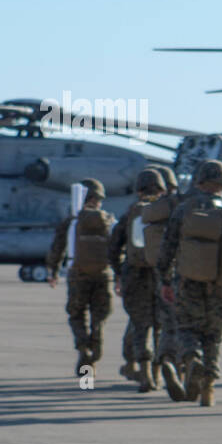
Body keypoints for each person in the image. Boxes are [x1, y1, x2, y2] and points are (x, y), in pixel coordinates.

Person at [157, 159, 222, 407]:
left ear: (199, 180)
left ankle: (191, 358)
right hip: (220, 285)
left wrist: (165, 279)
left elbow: (168, 247)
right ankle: (208, 388)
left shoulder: (183, 209)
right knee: (213, 337)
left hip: (187, 282)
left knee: (187, 328)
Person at [46, 178, 115, 374]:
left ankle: (83, 347)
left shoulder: (71, 222)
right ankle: (97, 338)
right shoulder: (107, 220)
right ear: (98, 199)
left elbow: (57, 248)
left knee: (77, 315)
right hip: (103, 275)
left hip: (77, 274)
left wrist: (53, 272)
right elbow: (117, 248)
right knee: (99, 315)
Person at [109, 168, 164, 392]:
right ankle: (158, 372)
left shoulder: (130, 213)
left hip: (134, 275)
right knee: (160, 325)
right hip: (160, 275)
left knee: (141, 325)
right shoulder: (167, 211)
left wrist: (120, 273)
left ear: (138, 189)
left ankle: (145, 373)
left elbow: (113, 248)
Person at [146, 166, 184, 396]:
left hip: (166, 276)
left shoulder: (151, 211)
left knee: (167, 326)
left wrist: (164, 277)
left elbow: (165, 249)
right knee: (198, 329)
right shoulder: (190, 205)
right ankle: (192, 370)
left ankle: (165, 362)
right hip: (199, 276)